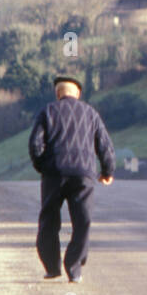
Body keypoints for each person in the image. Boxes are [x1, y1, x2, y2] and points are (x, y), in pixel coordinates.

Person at [28, 75, 116, 283]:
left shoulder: (47, 111)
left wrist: (44, 167)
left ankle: (52, 267)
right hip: (83, 176)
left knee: (49, 221)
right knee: (82, 221)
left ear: (58, 94)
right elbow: (105, 145)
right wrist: (107, 171)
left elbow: (35, 145)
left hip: (54, 175)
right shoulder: (90, 113)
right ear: (78, 94)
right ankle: (74, 268)